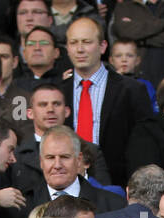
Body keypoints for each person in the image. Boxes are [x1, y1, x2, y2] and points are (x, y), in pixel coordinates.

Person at [63, 16, 156, 185]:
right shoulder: (58, 91)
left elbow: (144, 147)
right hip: (66, 184)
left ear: (103, 46)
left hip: (118, 186)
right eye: (74, 43)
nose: (80, 49)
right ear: (67, 48)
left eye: (86, 42)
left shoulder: (132, 90)